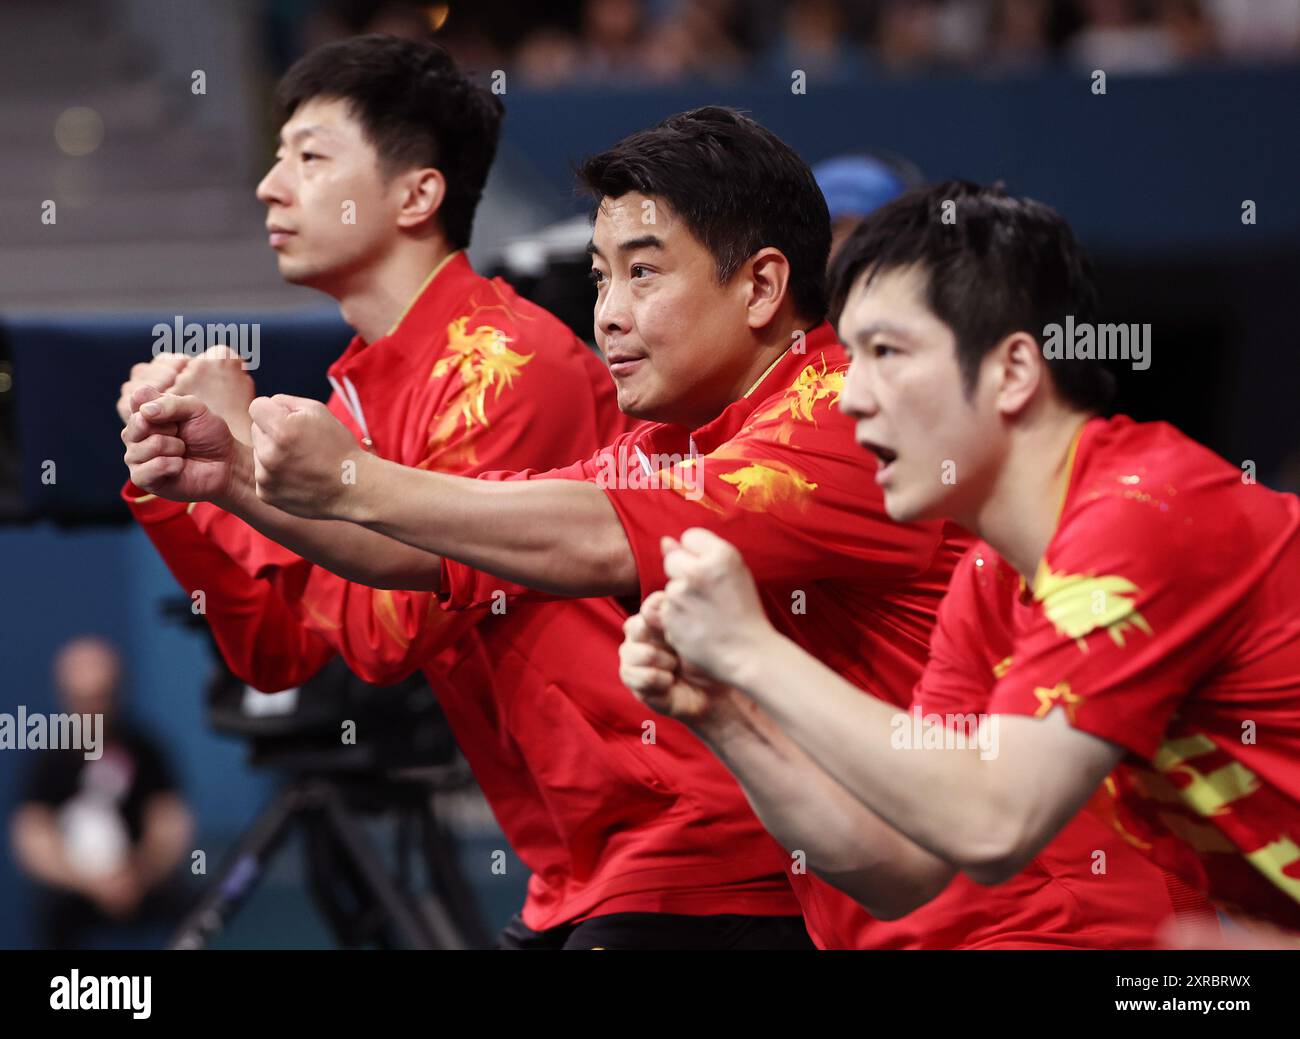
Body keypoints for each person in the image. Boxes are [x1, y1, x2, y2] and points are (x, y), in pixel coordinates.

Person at [127, 109, 1200, 948]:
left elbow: (588, 536)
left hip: (1022, 923)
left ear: (763, 286)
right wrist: (243, 486)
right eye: (600, 276)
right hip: (871, 903)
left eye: (644, 272)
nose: (608, 313)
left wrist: (354, 475)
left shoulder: (829, 417)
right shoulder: (671, 439)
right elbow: (445, 546)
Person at [118, 39, 816, 950]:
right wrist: (184, 486)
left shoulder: (506, 366)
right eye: (278, 155)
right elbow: (280, 650)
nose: (270, 185)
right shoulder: (361, 396)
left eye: (310, 155)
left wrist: (242, 467)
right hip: (578, 866)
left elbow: (382, 634)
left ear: (419, 194)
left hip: (690, 848)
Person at [619, 180, 1300, 937]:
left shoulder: (1143, 516)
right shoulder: (993, 577)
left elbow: (993, 822)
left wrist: (750, 650)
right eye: (850, 353)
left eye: (885, 352)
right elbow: (902, 868)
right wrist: (726, 714)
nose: (850, 396)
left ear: (1012, 372)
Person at [10, 637, 194, 948]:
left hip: (141, 881)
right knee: (52, 915)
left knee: (194, 910)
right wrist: (88, 882)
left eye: (101, 697)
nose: (92, 710)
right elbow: (31, 837)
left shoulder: (146, 750)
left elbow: (170, 823)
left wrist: (140, 873)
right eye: (81, 699)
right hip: (74, 888)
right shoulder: (48, 759)